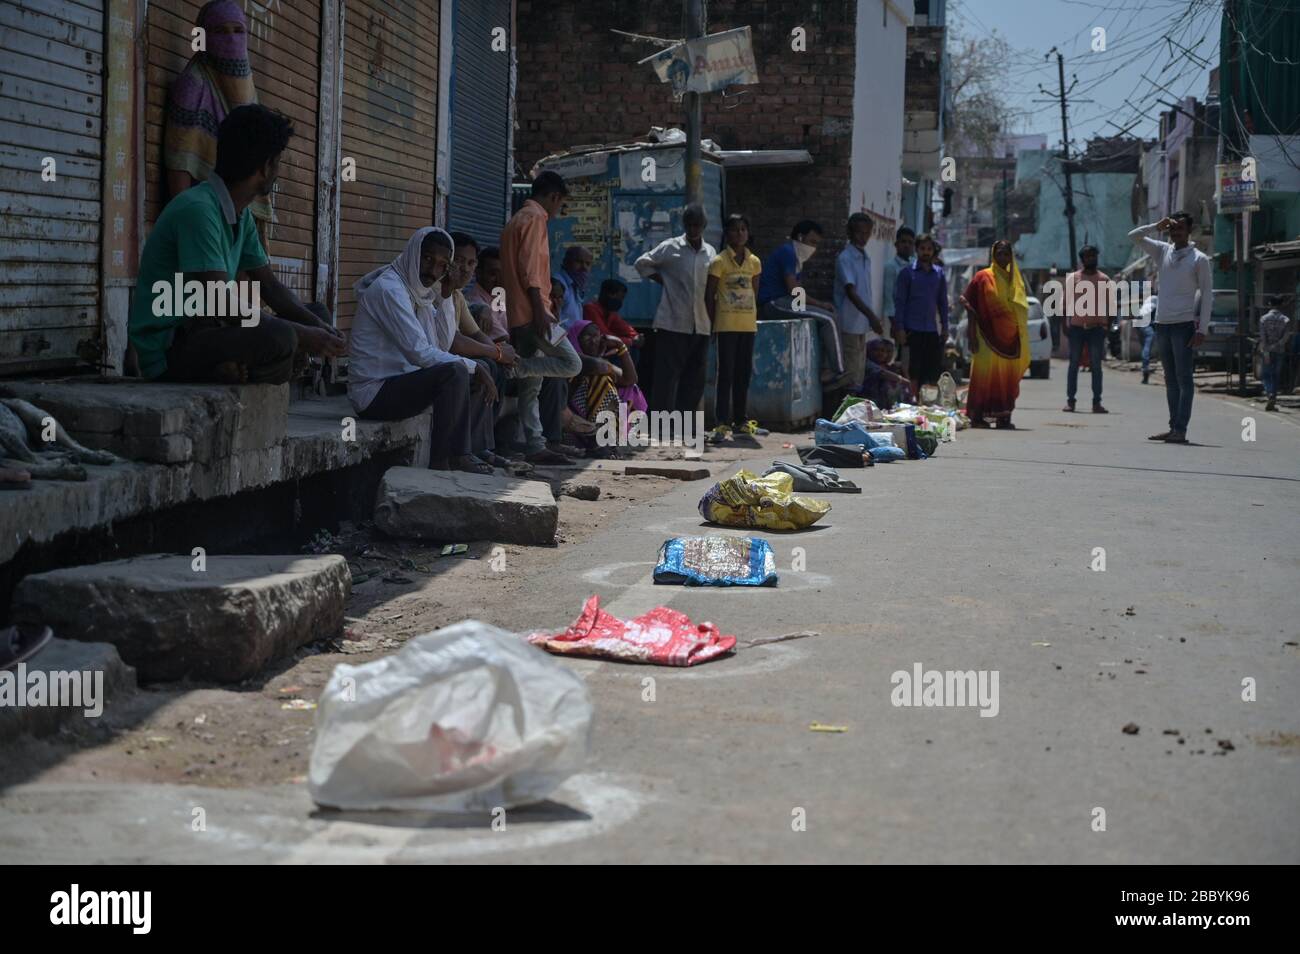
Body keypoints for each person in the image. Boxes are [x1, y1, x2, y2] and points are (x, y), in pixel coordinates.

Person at [129, 104, 346, 384]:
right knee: (282, 337)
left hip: (207, 329)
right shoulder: (198, 210)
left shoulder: (239, 214)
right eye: (278, 162)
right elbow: (221, 303)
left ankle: (233, 368)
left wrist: (320, 328)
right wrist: (303, 336)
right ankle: (223, 371)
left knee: (314, 314)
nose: (277, 171)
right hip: (171, 346)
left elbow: (269, 286)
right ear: (266, 166)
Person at [347, 227, 496, 473]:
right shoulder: (390, 290)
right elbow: (421, 353)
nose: (432, 270)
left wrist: (446, 293)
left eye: (441, 265)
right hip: (373, 393)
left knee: (468, 373)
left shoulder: (420, 291)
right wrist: (473, 366)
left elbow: (440, 344)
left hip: (401, 380)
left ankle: (472, 450)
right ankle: (447, 459)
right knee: (456, 373)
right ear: (412, 254)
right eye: (427, 259)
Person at [500, 171, 584, 464]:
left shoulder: (516, 220)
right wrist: (540, 310)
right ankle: (516, 368)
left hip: (519, 314)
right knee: (572, 363)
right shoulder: (535, 218)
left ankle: (536, 444)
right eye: (559, 204)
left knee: (531, 387)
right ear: (553, 197)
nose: (557, 211)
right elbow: (531, 270)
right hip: (535, 314)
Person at [163, 1, 270, 229]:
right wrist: (187, 226)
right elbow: (179, 163)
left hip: (240, 219)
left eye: (238, 31)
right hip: (204, 218)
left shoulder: (247, 89)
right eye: (220, 31)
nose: (231, 39)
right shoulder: (193, 86)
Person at [1129, 212, 1212, 444]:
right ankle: (1173, 426)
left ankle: (1181, 429)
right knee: (1170, 380)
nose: (1176, 233)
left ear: (1189, 231)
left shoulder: (1199, 259)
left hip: (1184, 326)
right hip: (1162, 325)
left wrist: (1201, 329)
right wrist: (1156, 225)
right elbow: (1133, 236)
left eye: (1180, 229)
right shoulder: (1162, 251)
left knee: (1185, 380)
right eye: (1173, 229)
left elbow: (1206, 295)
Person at [442, 231, 521, 468]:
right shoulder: (437, 292)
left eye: (470, 263)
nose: (464, 269)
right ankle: (466, 451)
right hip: (427, 365)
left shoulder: (456, 296)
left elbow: (476, 333)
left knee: (494, 367)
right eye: (458, 262)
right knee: (484, 367)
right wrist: (497, 352)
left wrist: (504, 354)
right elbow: (453, 341)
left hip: (445, 361)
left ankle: (482, 447)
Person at [635, 203, 716, 415]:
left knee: (694, 379)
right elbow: (642, 263)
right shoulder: (670, 247)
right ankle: (661, 422)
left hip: (701, 324)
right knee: (667, 376)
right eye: (689, 225)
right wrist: (664, 280)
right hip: (672, 322)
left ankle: (683, 424)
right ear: (685, 225)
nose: (693, 229)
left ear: (703, 226)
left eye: (697, 225)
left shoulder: (710, 252)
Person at [757, 219, 843, 384]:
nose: (813, 248)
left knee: (827, 317)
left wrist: (815, 304)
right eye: (811, 242)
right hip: (775, 303)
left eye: (816, 244)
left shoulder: (797, 258)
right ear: (800, 237)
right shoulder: (788, 252)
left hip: (785, 301)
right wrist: (819, 304)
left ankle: (826, 368)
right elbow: (794, 290)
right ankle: (837, 370)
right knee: (829, 319)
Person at [705, 213, 764, 443]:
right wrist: (712, 322)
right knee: (725, 373)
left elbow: (754, 293)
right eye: (734, 229)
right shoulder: (719, 261)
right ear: (727, 233)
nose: (739, 234)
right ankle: (721, 422)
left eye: (743, 229)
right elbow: (709, 296)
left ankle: (741, 420)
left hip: (747, 325)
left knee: (743, 373)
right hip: (725, 325)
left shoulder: (754, 262)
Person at [960, 240, 1030, 428]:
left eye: (1006, 254)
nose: (1003, 257)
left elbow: (1020, 309)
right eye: (999, 253)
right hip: (984, 337)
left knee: (1005, 377)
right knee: (983, 375)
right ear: (993, 254)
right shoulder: (983, 277)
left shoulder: (1014, 279)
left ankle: (1003, 417)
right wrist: (972, 335)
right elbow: (970, 306)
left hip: (1010, 339)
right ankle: (977, 416)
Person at [831, 212, 885, 418]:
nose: (863, 236)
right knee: (849, 375)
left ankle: (851, 415)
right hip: (848, 323)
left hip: (861, 324)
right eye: (859, 232)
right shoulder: (846, 258)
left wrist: (869, 318)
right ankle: (843, 416)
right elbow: (851, 292)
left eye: (867, 232)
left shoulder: (865, 256)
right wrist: (872, 316)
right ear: (851, 233)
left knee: (858, 372)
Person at [565, 319, 644, 458]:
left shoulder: (600, 363)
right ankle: (598, 441)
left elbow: (630, 379)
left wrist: (621, 346)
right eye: (587, 337)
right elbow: (596, 368)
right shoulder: (570, 358)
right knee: (602, 379)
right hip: (570, 427)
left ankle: (608, 439)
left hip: (589, 420)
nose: (593, 341)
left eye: (596, 336)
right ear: (576, 338)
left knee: (628, 388)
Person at [893, 232, 950, 398]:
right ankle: (912, 402)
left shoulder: (939, 274)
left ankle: (926, 404)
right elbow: (900, 302)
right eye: (922, 248)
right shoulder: (907, 273)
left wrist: (945, 327)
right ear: (916, 250)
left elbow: (943, 304)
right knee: (912, 370)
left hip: (931, 329)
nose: (926, 252)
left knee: (931, 370)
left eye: (929, 249)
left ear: (933, 251)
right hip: (912, 329)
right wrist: (900, 328)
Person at [1063, 245, 1109, 413]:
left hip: (1097, 329)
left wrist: (1108, 327)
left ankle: (1096, 402)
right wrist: (1064, 324)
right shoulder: (1073, 279)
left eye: (1093, 256)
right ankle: (1070, 401)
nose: (1091, 259)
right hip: (1076, 328)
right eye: (1087, 256)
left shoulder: (1104, 280)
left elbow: (1110, 307)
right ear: (1082, 260)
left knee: (1096, 365)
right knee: (1073, 364)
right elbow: (1065, 304)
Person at [463, 246, 508, 341]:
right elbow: (504, 339)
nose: (499, 280)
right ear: (478, 273)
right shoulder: (476, 303)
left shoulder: (500, 298)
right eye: (493, 274)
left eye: (503, 274)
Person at [583, 279, 641, 348]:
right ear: (608, 294)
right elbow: (604, 337)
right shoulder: (590, 309)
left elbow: (629, 332)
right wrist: (629, 341)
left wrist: (636, 338)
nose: (620, 301)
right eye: (620, 297)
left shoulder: (611, 313)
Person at [858, 337, 913, 410]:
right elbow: (881, 373)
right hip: (868, 403)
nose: (883, 354)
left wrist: (904, 371)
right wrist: (903, 380)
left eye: (888, 351)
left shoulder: (890, 367)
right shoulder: (866, 363)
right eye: (877, 350)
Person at [882, 226, 916, 340]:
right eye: (903, 242)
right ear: (896, 244)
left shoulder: (915, 266)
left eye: (910, 243)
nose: (906, 245)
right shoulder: (891, 267)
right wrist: (896, 325)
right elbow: (888, 298)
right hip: (896, 322)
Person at [1258, 295, 1290, 412]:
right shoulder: (1285, 320)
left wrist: (1266, 348)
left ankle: (1270, 394)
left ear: (1270, 305)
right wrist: (1277, 345)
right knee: (1276, 375)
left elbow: (1262, 336)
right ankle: (1273, 396)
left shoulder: (1263, 319)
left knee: (1266, 374)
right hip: (1279, 350)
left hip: (1267, 350)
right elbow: (1286, 336)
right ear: (1281, 305)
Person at [555, 246, 593, 328]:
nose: (584, 267)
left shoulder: (576, 283)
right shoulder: (558, 285)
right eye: (579, 262)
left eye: (588, 264)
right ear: (566, 262)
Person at [1138, 292, 1158, 384]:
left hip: (1140, 326)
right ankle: (1145, 368)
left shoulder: (1148, 301)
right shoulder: (1155, 302)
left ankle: (1145, 369)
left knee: (1145, 347)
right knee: (1147, 347)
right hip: (1146, 325)